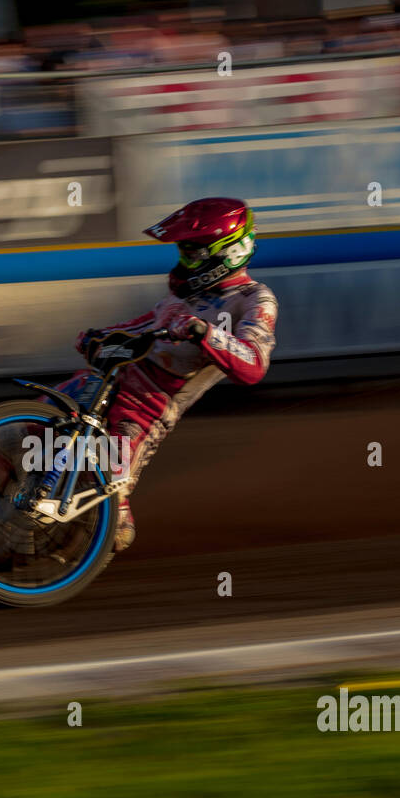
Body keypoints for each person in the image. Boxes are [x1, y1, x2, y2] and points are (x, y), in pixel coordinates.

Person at [55, 197, 278, 552]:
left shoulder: (255, 299)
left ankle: (76, 551)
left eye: (192, 253)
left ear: (227, 252)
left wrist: (204, 332)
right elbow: (141, 325)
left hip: (147, 407)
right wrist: (98, 335)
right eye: (182, 252)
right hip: (106, 383)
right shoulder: (186, 295)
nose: (184, 261)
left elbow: (253, 364)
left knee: (113, 509)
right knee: (30, 425)